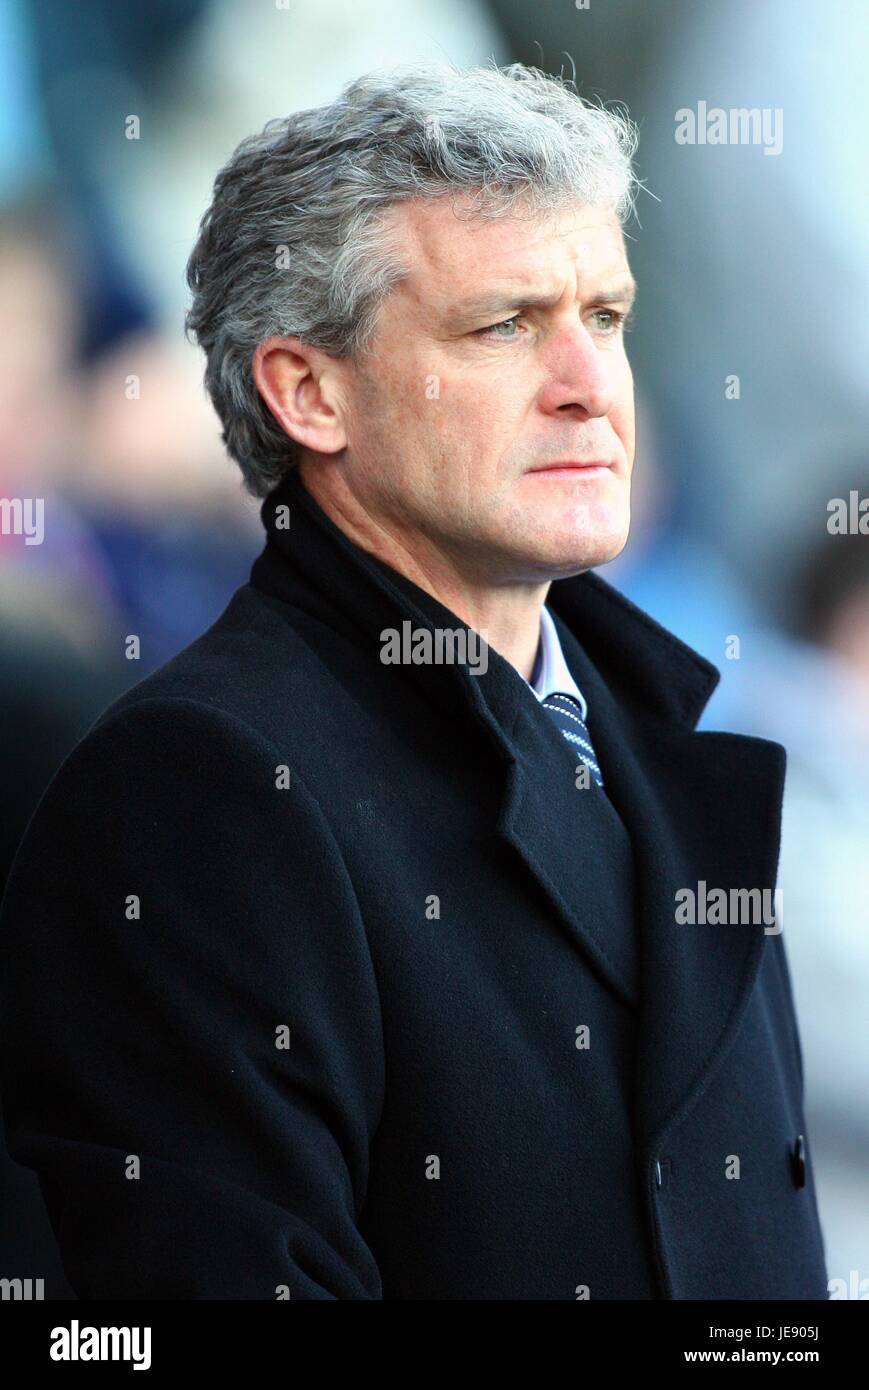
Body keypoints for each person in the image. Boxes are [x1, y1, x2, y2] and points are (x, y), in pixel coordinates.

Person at [0, 61, 827, 1300]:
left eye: (604, 317)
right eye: (504, 324)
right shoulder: (201, 790)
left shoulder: (670, 743)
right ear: (309, 392)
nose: (588, 384)